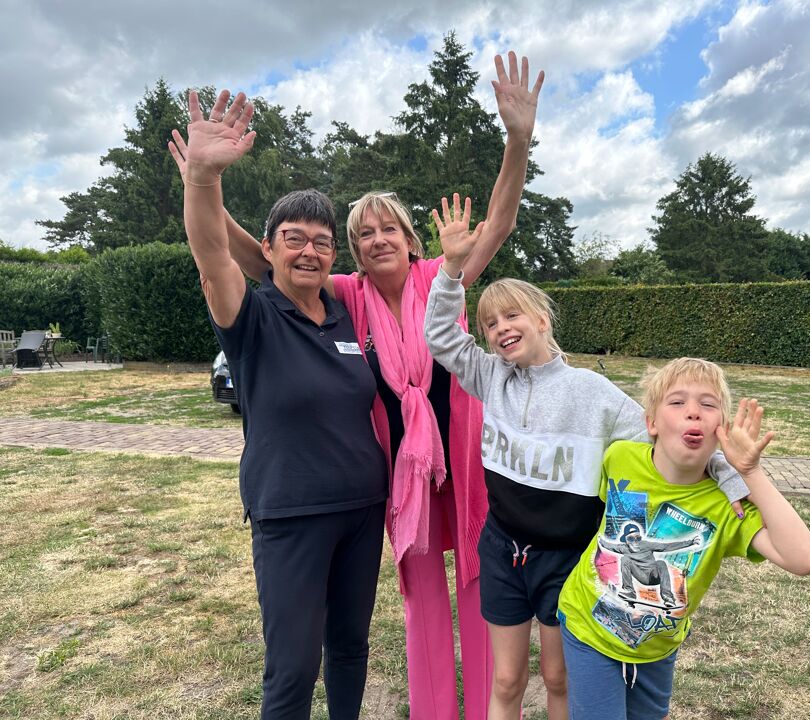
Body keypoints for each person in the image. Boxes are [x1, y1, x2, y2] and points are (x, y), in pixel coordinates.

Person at [169, 51, 544, 720]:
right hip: (401, 475)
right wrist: (203, 184)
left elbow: (503, 220)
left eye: (388, 229)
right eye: (363, 232)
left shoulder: (444, 276)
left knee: (485, 589)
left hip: (463, 464)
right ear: (353, 249)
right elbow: (267, 259)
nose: (377, 239)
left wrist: (517, 141)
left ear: (410, 237)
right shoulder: (347, 292)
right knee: (422, 603)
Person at [422, 200, 749, 720]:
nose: (500, 328)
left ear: (542, 319)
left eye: (512, 315)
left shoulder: (594, 394)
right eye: (489, 323)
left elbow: (672, 435)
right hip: (503, 548)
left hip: (566, 558)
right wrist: (452, 269)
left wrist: (737, 484)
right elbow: (440, 337)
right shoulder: (489, 377)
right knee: (506, 678)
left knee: (559, 678)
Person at [176, 88, 387, 720]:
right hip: (290, 514)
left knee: (350, 648)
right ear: (268, 250)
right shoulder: (252, 316)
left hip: (361, 509)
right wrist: (204, 180)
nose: (310, 251)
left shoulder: (347, 316)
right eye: (294, 239)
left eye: (323, 242)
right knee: (293, 667)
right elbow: (213, 254)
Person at [558, 358, 810, 720]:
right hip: (589, 629)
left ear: (722, 430)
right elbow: (608, 529)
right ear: (651, 422)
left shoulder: (728, 506)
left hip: (657, 648)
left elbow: (805, 560)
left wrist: (749, 472)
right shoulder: (619, 458)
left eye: (708, 404)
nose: (694, 412)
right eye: (677, 402)